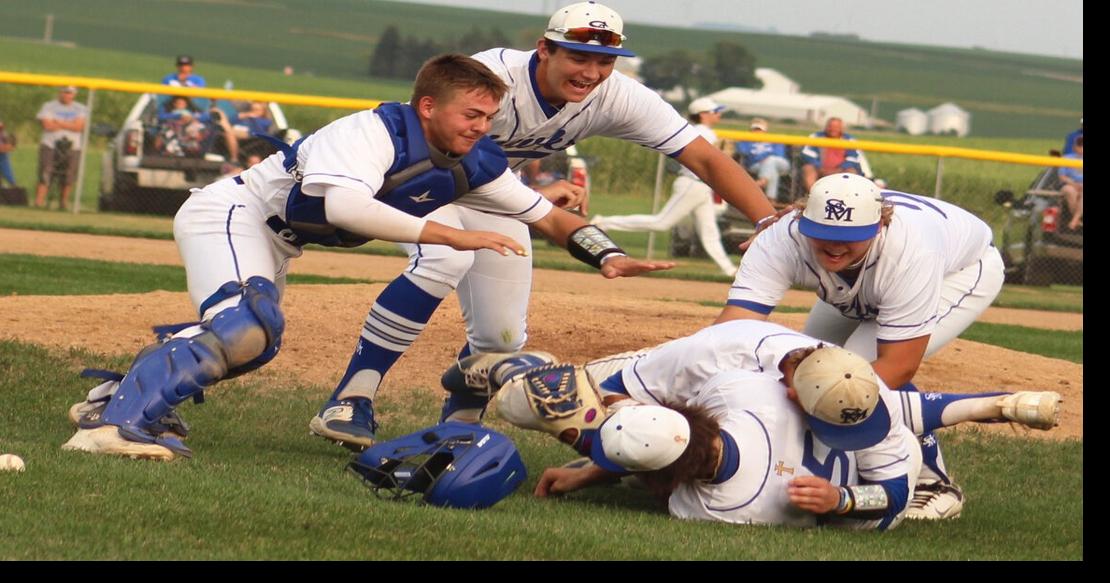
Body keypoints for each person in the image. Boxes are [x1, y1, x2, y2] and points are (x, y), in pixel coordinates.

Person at [61, 53, 672, 462]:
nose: (482, 127)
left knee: (254, 343)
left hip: (279, 239)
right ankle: (110, 430)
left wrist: (608, 255)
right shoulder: (371, 133)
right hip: (234, 213)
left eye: (489, 116)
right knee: (246, 324)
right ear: (428, 106)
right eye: (471, 114)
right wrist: (450, 236)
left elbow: (548, 217)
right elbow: (347, 208)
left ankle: (118, 397)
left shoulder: (475, 158)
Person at [309, 1, 776, 450]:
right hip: (427, 181)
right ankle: (351, 399)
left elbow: (704, 158)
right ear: (544, 49)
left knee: (502, 337)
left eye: (605, 61)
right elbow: (425, 132)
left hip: (496, 196)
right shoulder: (494, 76)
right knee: (444, 259)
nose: (591, 72)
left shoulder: (616, 95)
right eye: (578, 57)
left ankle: (459, 425)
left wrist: (769, 222)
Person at [450, 320, 1059, 528]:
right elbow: (903, 435)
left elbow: (896, 468)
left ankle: (520, 377)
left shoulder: (769, 393)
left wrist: (845, 500)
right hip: (670, 373)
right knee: (562, 406)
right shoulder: (729, 368)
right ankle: (524, 378)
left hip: (862, 475)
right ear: (794, 392)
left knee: (564, 411)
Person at [714, 172, 1006, 520]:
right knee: (813, 367)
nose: (835, 245)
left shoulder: (911, 250)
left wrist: (812, 402)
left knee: (851, 373)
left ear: (879, 226)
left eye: (848, 237)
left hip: (958, 272)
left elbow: (898, 365)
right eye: (824, 233)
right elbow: (733, 330)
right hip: (863, 280)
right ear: (802, 220)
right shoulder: (783, 237)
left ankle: (934, 483)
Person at [589, 97, 738, 277]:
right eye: (715, 111)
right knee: (661, 223)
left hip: (701, 187)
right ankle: (603, 222)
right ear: (703, 114)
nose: (719, 115)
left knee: (709, 231)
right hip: (692, 185)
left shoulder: (700, 132)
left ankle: (729, 270)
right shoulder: (704, 133)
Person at [34, 86, 87, 210]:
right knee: (45, 173)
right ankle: (38, 203)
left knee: (68, 176)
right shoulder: (48, 106)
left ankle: (63, 203)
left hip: (73, 146)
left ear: (74, 94)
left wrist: (58, 122)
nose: (67, 95)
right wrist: (70, 124)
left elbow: (79, 127)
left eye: (70, 93)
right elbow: (47, 125)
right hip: (50, 145)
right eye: (65, 92)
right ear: (60, 92)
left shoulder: (80, 108)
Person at [737, 118, 791, 203]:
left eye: (760, 129)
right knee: (772, 170)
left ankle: (762, 182)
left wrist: (764, 158)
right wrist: (764, 157)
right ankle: (771, 199)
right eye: (755, 129)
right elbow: (744, 152)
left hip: (780, 163)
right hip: (756, 165)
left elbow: (779, 154)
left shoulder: (773, 139)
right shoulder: (745, 141)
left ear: (765, 130)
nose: (757, 132)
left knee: (770, 160)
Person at [800, 117, 862, 191]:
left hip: (841, 170)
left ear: (841, 128)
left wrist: (838, 170)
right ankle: (813, 194)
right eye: (830, 126)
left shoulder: (849, 140)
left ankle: (845, 196)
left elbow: (852, 159)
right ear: (826, 127)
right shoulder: (816, 137)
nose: (833, 129)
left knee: (851, 172)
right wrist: (820, 168)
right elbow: (808, 155)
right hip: (819, 169)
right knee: (808, 168)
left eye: (836, 127)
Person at [1059, 136, 1082, 231]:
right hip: (1069, 185)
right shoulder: (1066, 158)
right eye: (1079, 145)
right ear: (1074, 147)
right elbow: (1062, 177)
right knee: (1070, 191)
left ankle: (1074, 220)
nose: (1081, 148)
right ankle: (1077, 220)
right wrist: (1073, 184)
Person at [0, 118, 17, 188]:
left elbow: (9, 147)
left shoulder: (3, 134)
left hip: (3, 156)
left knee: (5, 164)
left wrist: (10, 146)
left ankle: (13, 185)